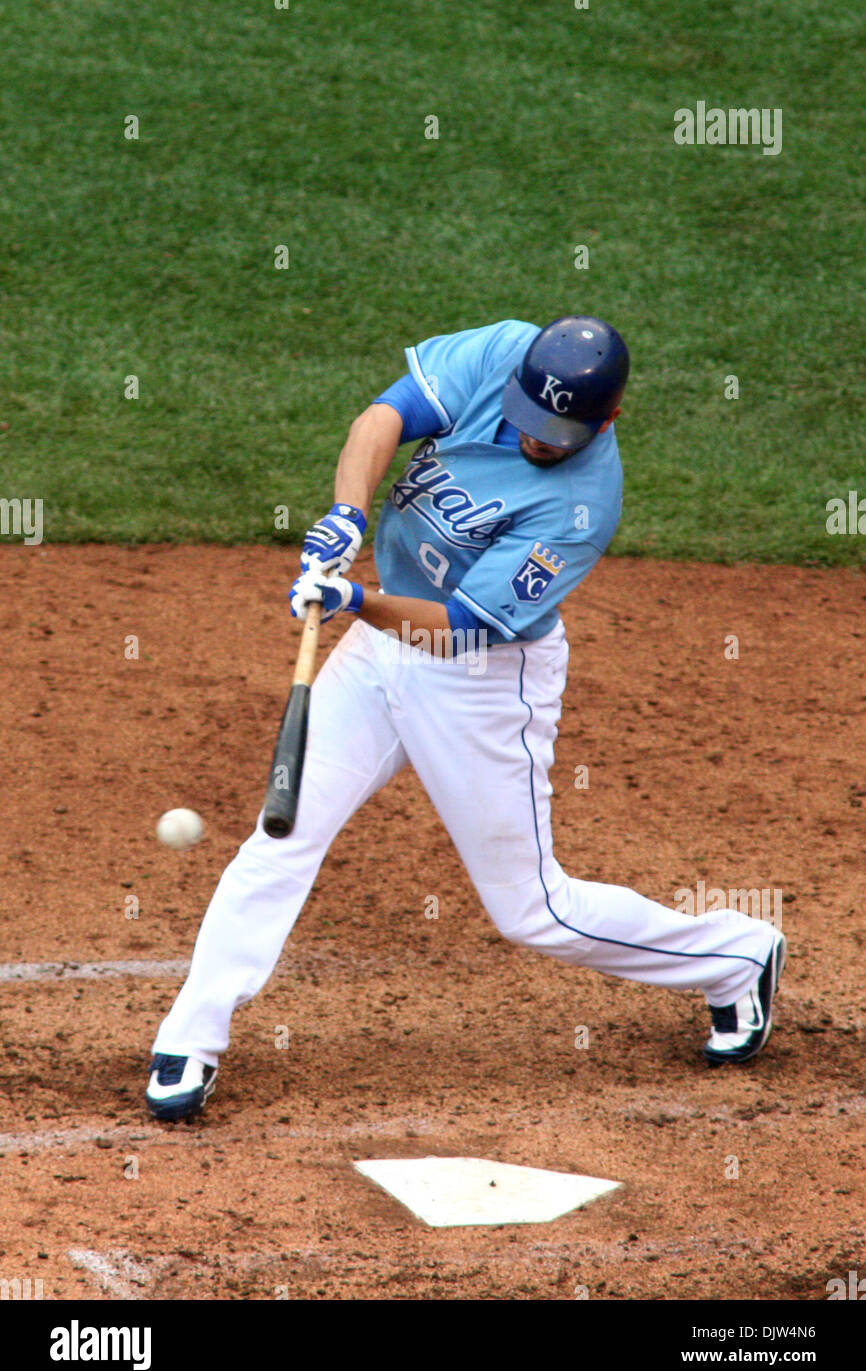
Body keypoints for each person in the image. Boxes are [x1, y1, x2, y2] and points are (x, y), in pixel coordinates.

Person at [145, 315, 785, 1121]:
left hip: (478, 679)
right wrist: (347, 515)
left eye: (556, 436)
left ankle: (735, 954)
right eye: (524, 420)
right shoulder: (503, 352)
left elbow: (459, 627)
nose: (533, 442)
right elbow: (382, 418)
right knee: (283, 833)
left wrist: (355, 600)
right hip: (381, 653)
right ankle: (192, 1037)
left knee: (533, 911)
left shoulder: (580, 509)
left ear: (607, 420)